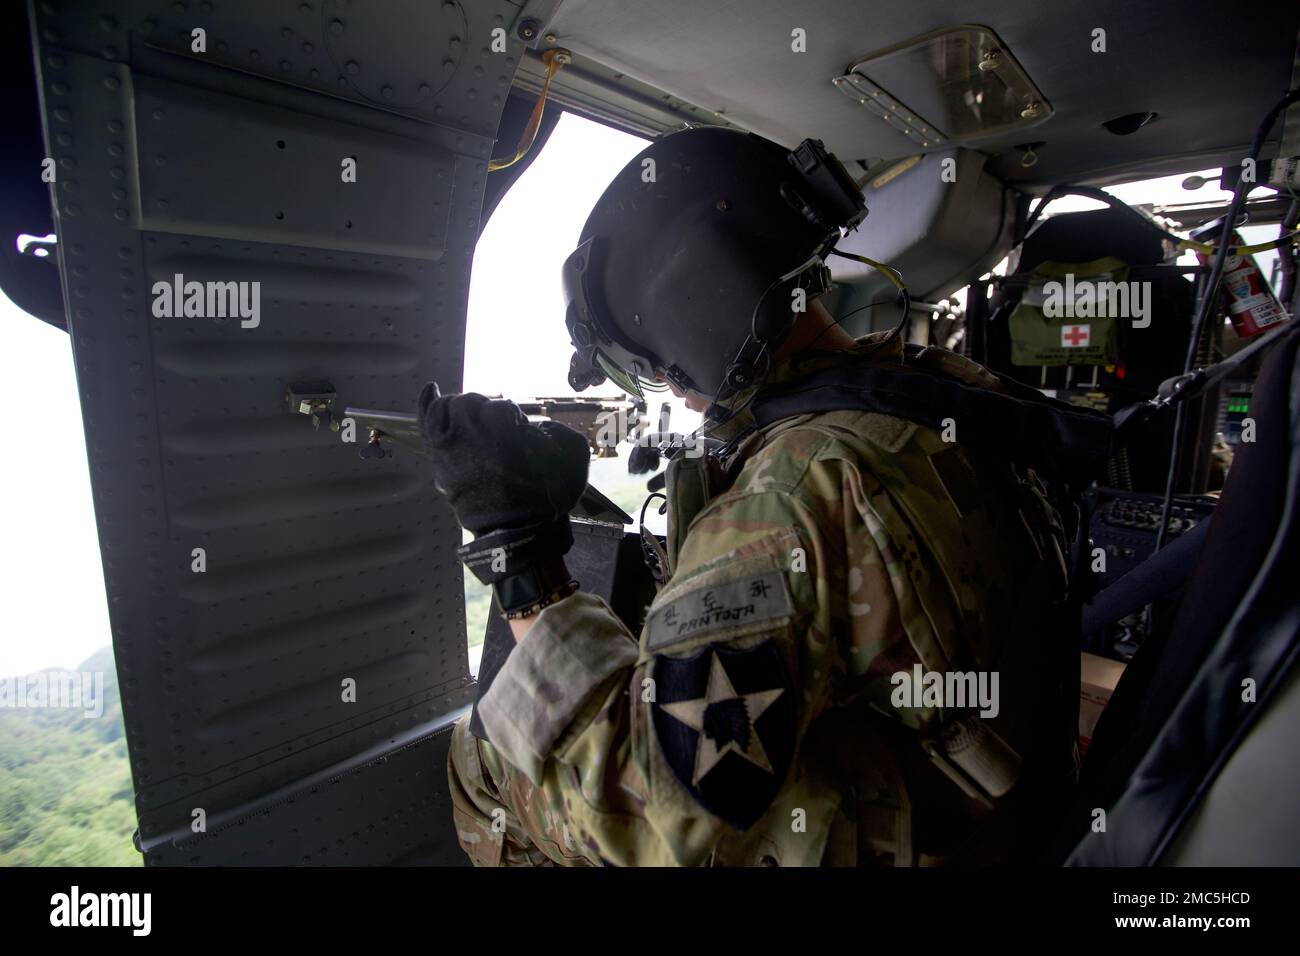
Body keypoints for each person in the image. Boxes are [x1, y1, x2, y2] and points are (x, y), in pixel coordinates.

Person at [423, 127, 1078, 866]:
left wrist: (520, 550)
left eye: (656, 366)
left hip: (923, 834)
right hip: (1002, 807)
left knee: (482, 761)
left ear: (689, 319)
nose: (672, 386)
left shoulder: (790, 496)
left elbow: (646, 828)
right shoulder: (943, 395)